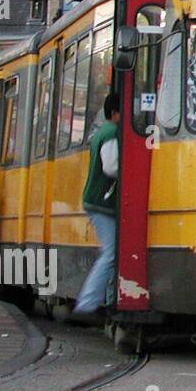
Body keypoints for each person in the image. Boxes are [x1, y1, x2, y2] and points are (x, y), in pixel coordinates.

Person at [72, 93, 120, 322]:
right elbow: (111, 167)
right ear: (116, 113)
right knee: (110, 253)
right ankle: (87, 305)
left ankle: (109, 300)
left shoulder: (103, 131)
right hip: (102, 202)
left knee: (113, 252)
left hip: (99, 201)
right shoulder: (111, 133)